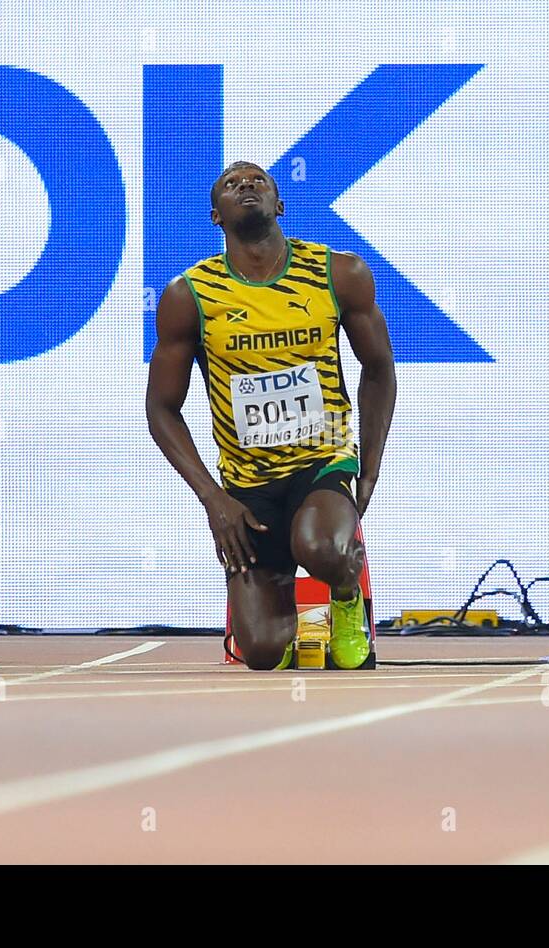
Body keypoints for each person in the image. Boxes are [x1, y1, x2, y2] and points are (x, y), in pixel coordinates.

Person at [147, 162, 396, 670]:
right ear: (215, 215)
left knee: (319, 547)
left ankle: (346, 595)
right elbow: (161, 409)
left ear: (279, 205)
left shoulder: (338, 273)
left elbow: (379, 369)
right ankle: (282, 607)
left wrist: (368, 466)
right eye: (231, 184)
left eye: (257, 180)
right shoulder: (188, 296)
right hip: (247, 482)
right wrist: (214, 500)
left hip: (322, 458)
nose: (245, 185)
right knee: (262, 653)